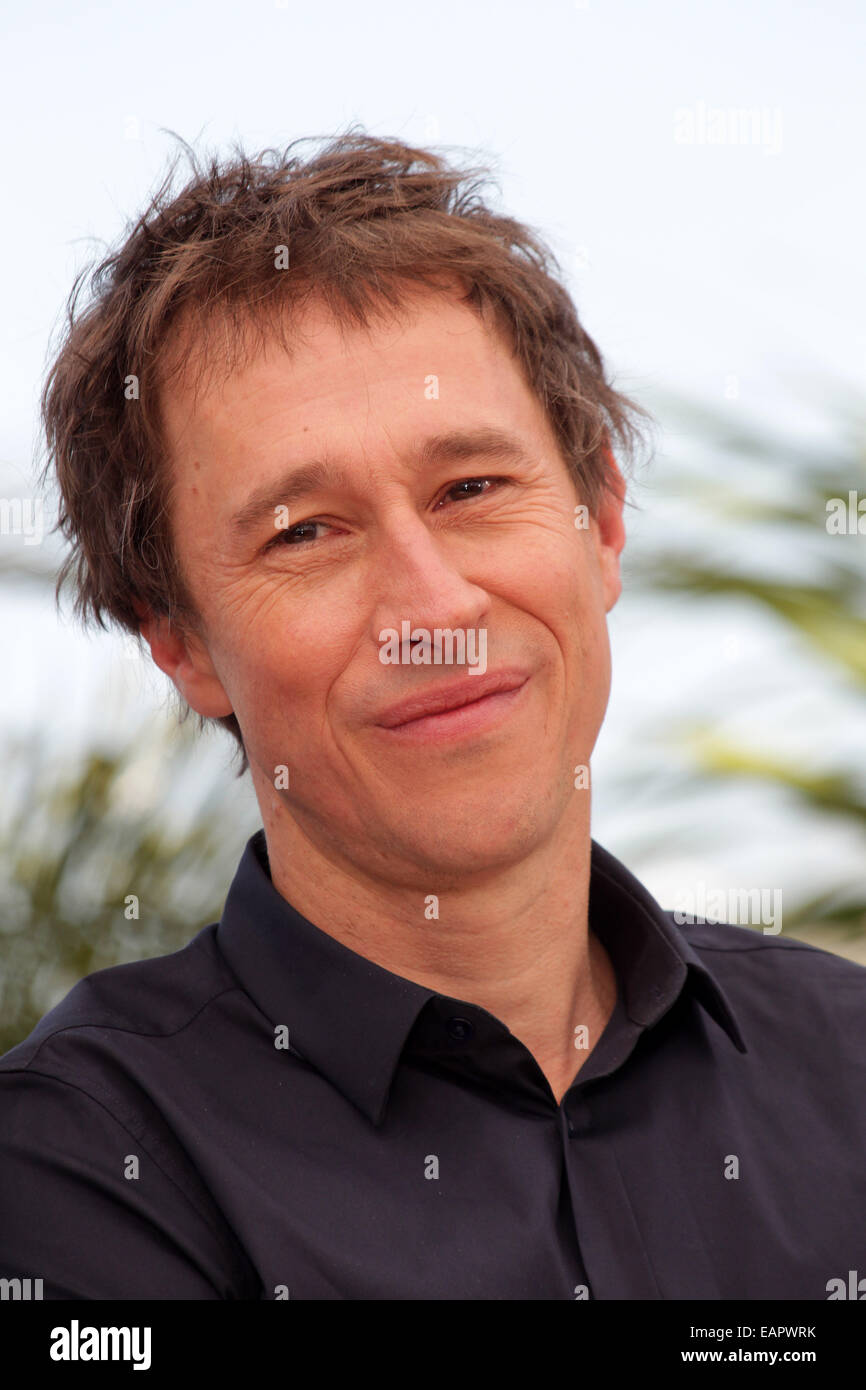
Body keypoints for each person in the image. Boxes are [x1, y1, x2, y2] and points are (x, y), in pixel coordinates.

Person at [1, 131, 863, 1301]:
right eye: (302, 531)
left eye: (470, 488)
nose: (432, 606)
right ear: (182, 643)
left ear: (600, 519)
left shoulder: (847, 1058)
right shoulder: (77, 1172)